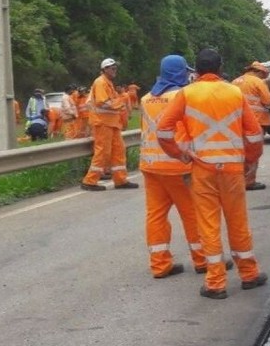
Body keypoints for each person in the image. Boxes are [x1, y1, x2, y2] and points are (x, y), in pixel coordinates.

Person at [156, 48, 267, 299]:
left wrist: (179, 153)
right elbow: (254, 135)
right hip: (232, 169)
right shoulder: (235, 93)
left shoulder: (186, 93)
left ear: (196, 69)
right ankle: (249, 274)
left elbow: (163, 130)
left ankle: (216, 282)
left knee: (208, 224)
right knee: (238, 221)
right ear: (220, 68)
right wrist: (249, 161)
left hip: (202, 169)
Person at [140, 56, 211, 279]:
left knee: (156, 215)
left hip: (150, 165)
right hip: (177, 165)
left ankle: (160, 264)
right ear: (180, 73)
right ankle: (202, 260)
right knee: (191, 213)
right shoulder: (181, 96)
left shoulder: (146, 99)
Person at [80, 58, 137, 191]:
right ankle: (89, 181)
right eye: (112, 68)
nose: (114, 70)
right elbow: (103, 102)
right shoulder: (100, 82)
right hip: (103, 123)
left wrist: (118, 104)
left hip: (112, 123)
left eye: (115, 68)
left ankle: (120, 180)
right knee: (103, 152)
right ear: (104, 69)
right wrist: (119, 104)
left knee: (119, 150)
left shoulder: (108, 83)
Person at [232, 61, 270, 190]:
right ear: (258, 72)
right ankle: (249, 181)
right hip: (255, 122)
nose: (264, 78)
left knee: (240, 152)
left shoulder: (235, 82)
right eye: (263, 75)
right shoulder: (257, 82)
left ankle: (238, 180)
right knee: (253, 152)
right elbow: (268, 102)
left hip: (237, 122)